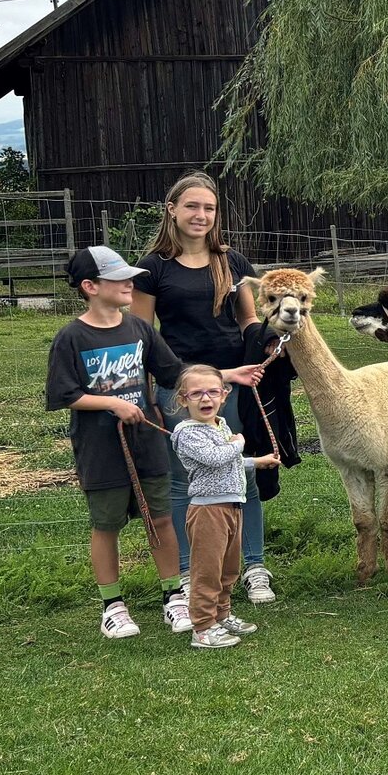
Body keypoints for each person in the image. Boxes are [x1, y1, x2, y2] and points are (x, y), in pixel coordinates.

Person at [129, 172, 273, 602]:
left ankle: (253, 565)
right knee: (184, 479)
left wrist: (267, 342)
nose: (201, 215)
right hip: (180, 389)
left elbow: (248, 321)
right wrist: (151, 393)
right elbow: (142, 335)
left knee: (240, 472)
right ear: (172, 210)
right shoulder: (152, 268)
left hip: (233, 384)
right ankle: (189, 570)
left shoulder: (233, 262)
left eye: (209, 208)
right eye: (192, 206)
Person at [46, 246, 190, 640]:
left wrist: (224, 375)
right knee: (107, 524)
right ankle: (113, 606)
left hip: (147, 441)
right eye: (118, 278)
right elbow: (64, 394)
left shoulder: (139, 329)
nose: (129, 284)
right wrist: (111, 402)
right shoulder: (71, 337)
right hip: (100, 448)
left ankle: (173, 596)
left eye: (129, 277)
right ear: (90, 286)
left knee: (161, 517)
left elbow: (173, 372)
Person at [170, 363, 279, 649]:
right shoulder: (187, 432)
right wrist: (240, 443)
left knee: (228, 569)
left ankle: (222, 614)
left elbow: (227, 462)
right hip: (208, 511)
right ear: (183, 399)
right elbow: (214, 458)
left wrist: (256, 462)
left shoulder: (220, 426)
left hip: (232, 506)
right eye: (196, 394)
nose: (205, 399)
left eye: (212, 392)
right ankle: (203, 627)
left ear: (224, 395)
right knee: (207, 571)